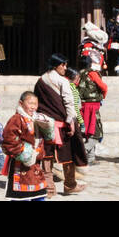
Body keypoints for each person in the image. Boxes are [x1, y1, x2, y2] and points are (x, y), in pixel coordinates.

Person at [34, 53, 84, 195]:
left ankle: (49, 188)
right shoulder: (63, 81)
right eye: (64, 65)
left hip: (44, 123)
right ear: (57, 65)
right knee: (68, 155)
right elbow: (69, 103)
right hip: (62, 124)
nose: (65, 68)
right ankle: (70, 185)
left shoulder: (40, 80)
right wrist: (71, 121)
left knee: (47, 156)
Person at [0, 91, 50, 201]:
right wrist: (24, 152)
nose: (33, 107)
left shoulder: (38, 119)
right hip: (20, 164)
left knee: (39, 195)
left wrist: (39, 152)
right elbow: (8, 139)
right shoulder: (16, 119)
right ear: (21, 103)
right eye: (30, 103)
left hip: (35, 165)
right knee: (22, 197)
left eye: (35, 104)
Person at [77, 55, 108, 156]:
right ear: (90, 64)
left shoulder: (76, 74)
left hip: (80, 106)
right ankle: (83, 151)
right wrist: (102, 97)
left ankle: (90, 157)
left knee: (85, 131)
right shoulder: (92, 74)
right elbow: (103, 87)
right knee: (95, 131)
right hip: (92, 106)